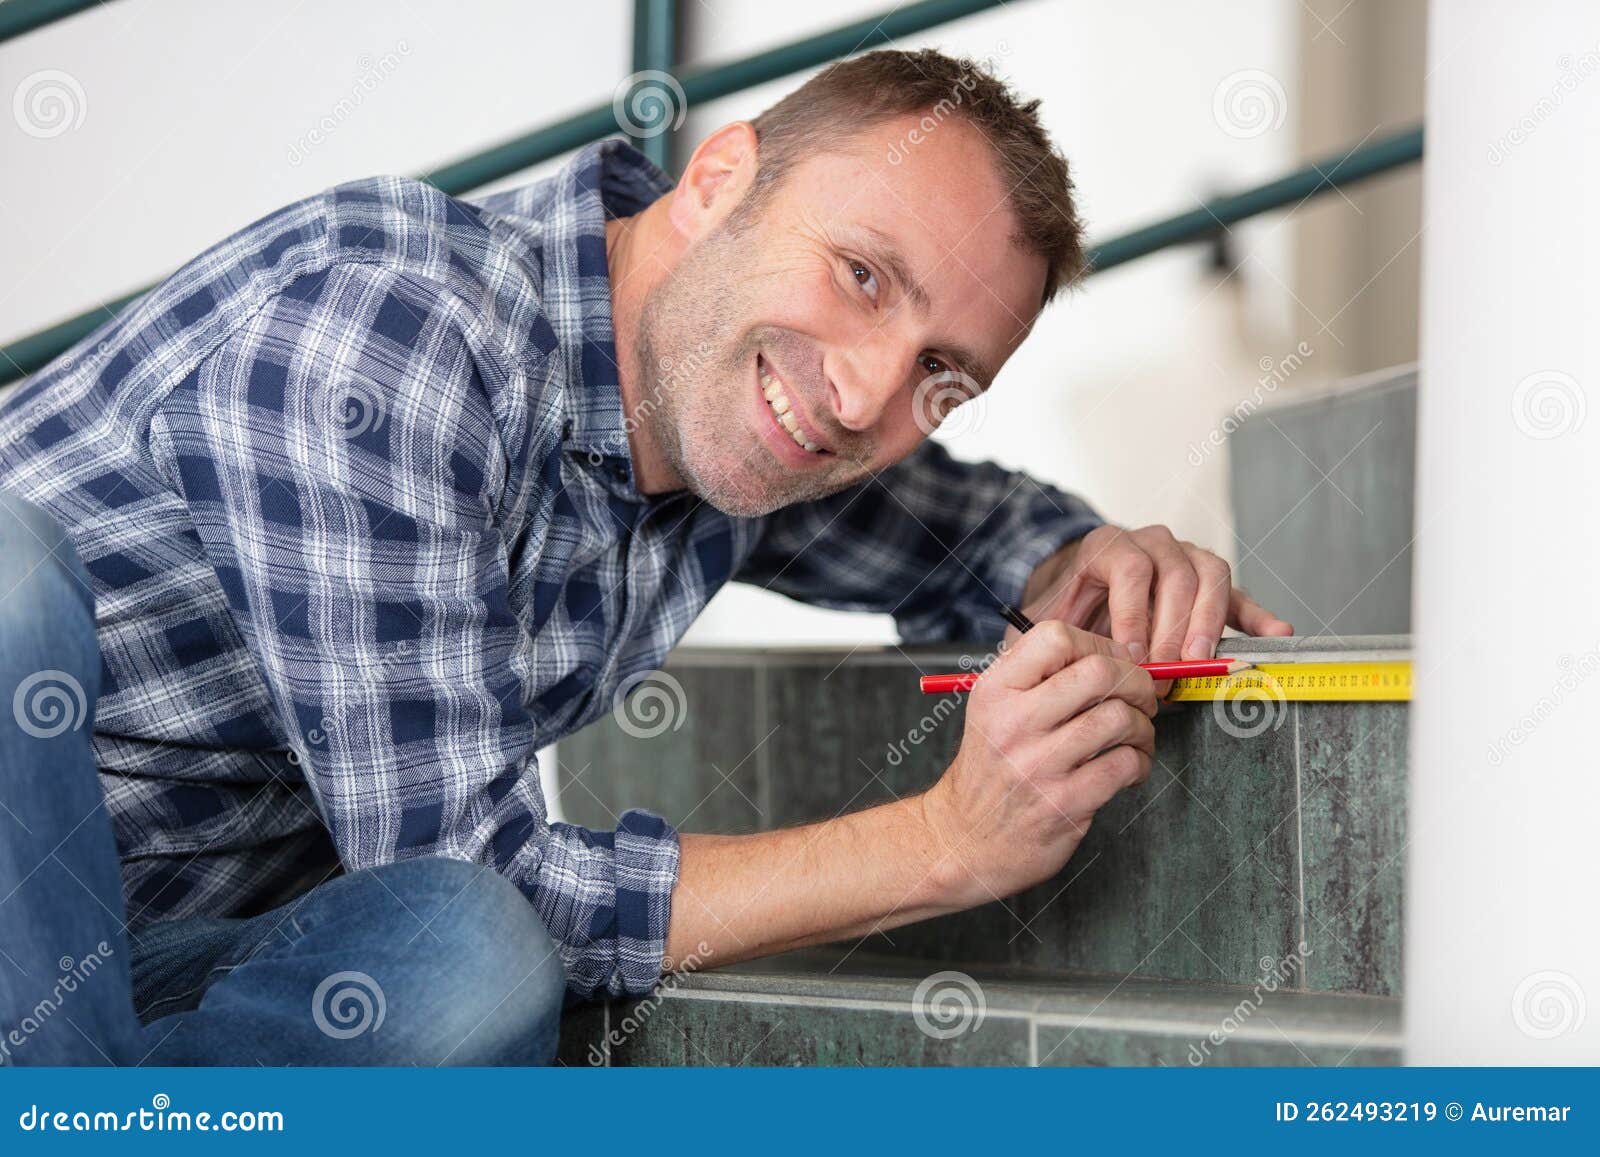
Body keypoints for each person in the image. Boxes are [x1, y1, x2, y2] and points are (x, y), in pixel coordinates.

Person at [0, 48, 1289, 1066]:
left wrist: (1089, 562)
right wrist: (947, 841)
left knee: (467, 964)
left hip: (146, 982)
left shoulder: (741, 424)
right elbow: (476, 857)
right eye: (861, 275)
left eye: (941, 376)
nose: (864, 396)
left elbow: (968, 532)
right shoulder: (390, 334)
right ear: (720, 179)